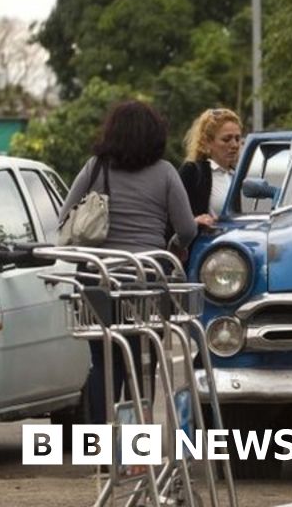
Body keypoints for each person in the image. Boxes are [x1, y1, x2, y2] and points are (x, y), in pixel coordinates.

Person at [59, 100, 198, 423]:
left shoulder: (95, 168)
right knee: (142, 360)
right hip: (146, 281)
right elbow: (187, 228)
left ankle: (101, 450)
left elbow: (65, 216)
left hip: (97, 278)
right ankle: (137, 454)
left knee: (103, 362)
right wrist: (176, 247)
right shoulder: (165, 173)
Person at [179, 108, 244, 229]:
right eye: (226, 139)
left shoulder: (236, 175)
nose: (234, 145)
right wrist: (195, 221)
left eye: (237, 138)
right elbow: (175, 217)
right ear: (207, 142)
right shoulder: (193, 172)